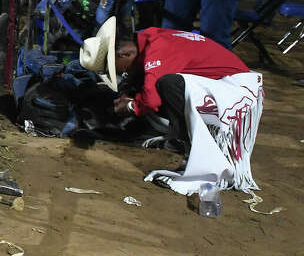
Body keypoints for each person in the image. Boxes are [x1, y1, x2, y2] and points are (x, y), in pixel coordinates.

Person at [81, 18, 253, 161]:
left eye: (116, 67)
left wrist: (131, 106)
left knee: (167, 84)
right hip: (222, 86)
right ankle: (175, 132)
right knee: (140, 83)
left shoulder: (157, 50)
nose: (120, 72)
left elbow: (152, 100)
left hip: (238, 93)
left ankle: (193, 148)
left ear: (125, 54)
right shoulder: (146, 37)